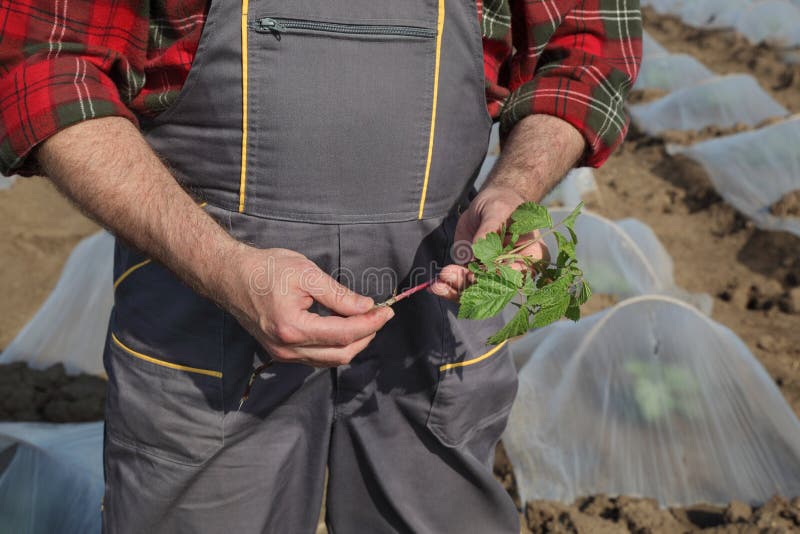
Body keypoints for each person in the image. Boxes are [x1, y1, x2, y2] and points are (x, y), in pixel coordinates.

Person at [0, 0, 641, 532]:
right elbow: (46, 68)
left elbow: (586, 52)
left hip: (438, 298)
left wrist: (513, 190)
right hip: (206, 302)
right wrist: (221, 266)